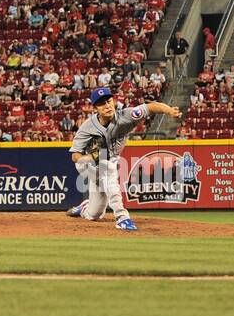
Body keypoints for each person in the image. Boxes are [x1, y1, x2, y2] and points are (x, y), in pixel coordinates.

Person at [66, 87, 183, 231]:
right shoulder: (87, 128)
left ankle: (85, 207)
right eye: (102, 104)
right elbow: (75, 156)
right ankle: (122, 217)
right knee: (107, 170)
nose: (108, 106)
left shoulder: (126, 116)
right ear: (95, 107)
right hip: (88, 165)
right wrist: (92, 157)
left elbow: (151, 107)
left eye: (109, 101)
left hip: (109, 161)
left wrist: (169, 110)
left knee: (94, 214)